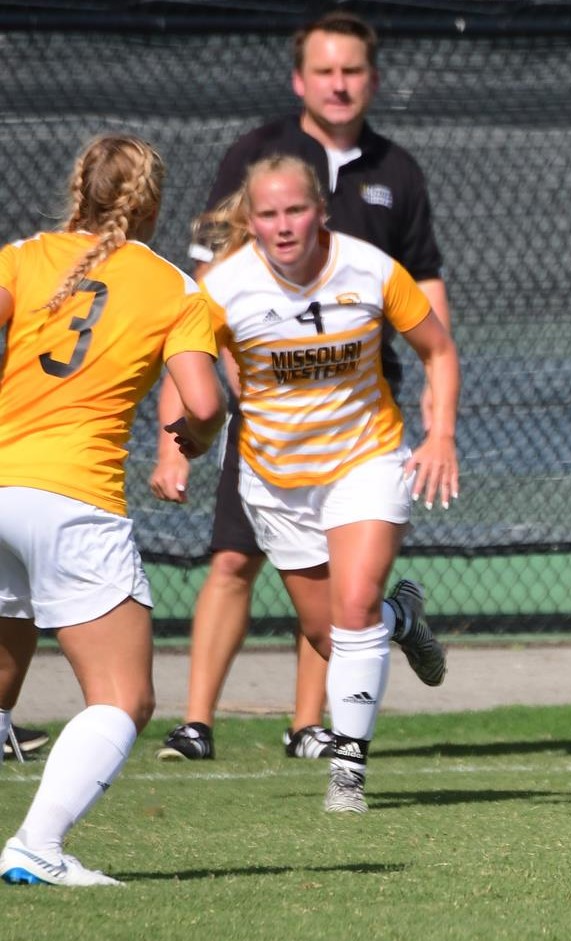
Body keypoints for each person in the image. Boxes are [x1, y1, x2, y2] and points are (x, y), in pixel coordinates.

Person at [152, 9, 453, 761]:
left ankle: (314, 727)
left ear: (372, 80)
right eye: (325, 70)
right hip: (262, 415)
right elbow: (199, 304)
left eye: (352, 70)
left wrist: (438, 400)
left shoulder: (397, 171)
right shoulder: (256, 156)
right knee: (234, 561)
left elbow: (425, 294)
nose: (339, 84)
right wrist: (190, 423)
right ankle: (199, 721)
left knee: (349, 595)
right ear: (300, 80)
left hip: (360, 414)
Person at [178, 153, 458, 812]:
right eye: (268, 213)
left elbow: (437, 349)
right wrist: (183, 434)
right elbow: (180, 356)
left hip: (366, 458)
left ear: (320, 211)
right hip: (275, 480)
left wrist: (440, 433)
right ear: (250, 219)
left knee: (354, 602)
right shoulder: (222, 285)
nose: (283, 225)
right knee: (331, 631)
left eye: (295, 209)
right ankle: (403, 618)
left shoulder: (370, 269)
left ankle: (348, 773)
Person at [0, 134, 226, 885]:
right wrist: (192, 437)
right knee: (124, 696)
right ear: (152, 202)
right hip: (72, 499)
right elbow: (203, 400)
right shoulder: (174, 288)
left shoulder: (23, 257)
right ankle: (36, 845)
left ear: (79, 189)